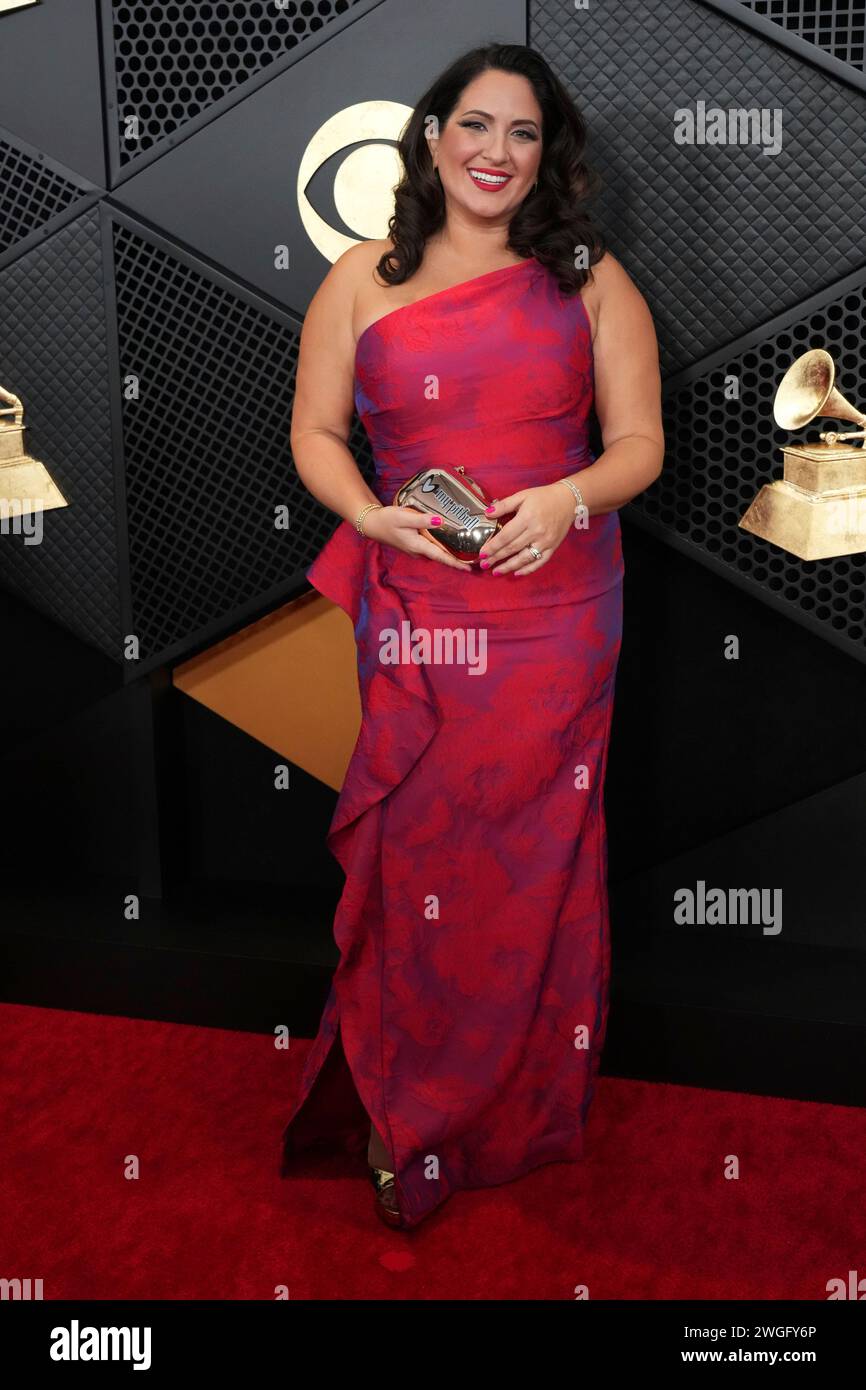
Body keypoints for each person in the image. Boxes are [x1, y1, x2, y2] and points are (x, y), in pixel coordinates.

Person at [280, 41, 663, 1231]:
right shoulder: (359, 278)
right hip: (417, 614)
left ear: (547, 157)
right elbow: (314, 432)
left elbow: (638, 443)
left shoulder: (589, 276)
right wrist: (363, 514)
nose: (496, 152)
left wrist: (567, 499)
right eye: (475, 125)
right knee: (419, 865)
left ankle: (517, 1110)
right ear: (433, 134)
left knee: (533, 866)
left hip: (555, 621)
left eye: (523, 133)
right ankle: (410, 1118)